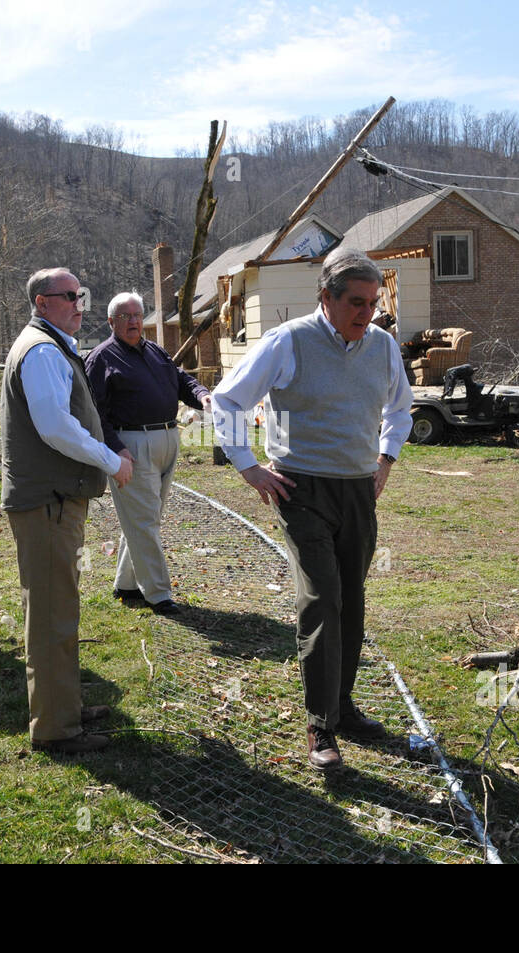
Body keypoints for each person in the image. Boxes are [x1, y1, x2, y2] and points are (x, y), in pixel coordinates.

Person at [212, 247, 413, 771]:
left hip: (358, 490)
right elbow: (227, 400)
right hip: (300, 489)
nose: (366, 312)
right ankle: (321, 725)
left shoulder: (383, 347)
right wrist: (248, 466)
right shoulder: (289, 341)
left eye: (373, 302)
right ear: (326, 296)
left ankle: (342, 705)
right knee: (322, 598)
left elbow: (400, 409)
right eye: (355, 302)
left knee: (351, 600)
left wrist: (386, 460)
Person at [1, 267, 134, 754]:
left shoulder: (50, 346)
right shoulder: (40, 351)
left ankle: (64, 707)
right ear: (42, 302)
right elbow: (55, 426)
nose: (80, 304)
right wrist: (111, 460)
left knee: (59, 608)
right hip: (48, 503)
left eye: (82, 295)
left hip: (53, 502)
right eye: (70, 296)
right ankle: (56, 729)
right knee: (51, 615)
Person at [85, 291, 212, 615]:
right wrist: (116, 449)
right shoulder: (101, 358)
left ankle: (127, 584)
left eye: (138, 315)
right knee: (143, 522)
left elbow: (181, 381)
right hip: (132, 446)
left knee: (145, 519)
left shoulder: (155, 351)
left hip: (168, 438)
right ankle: (158, 593)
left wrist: (202, 394)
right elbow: (93, 413)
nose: (133, 321)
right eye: (125, 316)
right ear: (111, 321)